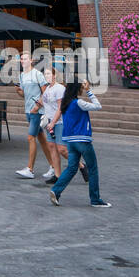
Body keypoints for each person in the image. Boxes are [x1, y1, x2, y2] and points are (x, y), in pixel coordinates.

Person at [49, 81, 111, 207]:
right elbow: (98, 106)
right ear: (77, 90)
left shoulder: (65, 105)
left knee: (71, 168)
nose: (82, 90)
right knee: (92, 168)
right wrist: (89, 91)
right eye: (81, 88)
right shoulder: (79, 103)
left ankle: (56, 191)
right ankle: (95, 199)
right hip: (82, 140)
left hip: (70, 141)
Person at [15, 51, 54, 180]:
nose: (23, 61)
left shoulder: (37, 74)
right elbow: (24, 95)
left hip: (37, 112)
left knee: (31, 138)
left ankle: (30, 169)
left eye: (25, 59)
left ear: (31, 61)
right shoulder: (21, 76)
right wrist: (19, 91)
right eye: (21, 59)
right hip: (28, 110)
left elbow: (45, 92)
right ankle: (53, 166)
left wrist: (37, 106)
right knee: (42, 139)